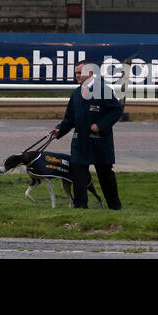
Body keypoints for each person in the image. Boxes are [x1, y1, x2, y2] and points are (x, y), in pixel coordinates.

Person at [50, 59, 123, 210]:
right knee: (78, 173)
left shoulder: (103, 90)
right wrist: (59, 130)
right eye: (75, 73)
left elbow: (116, 110)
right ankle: (80, 206)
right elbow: (70, 118)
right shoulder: (76, 94)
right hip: (80, 142)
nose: (76, 75)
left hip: (100, 142)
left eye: (79, 72)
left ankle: (114, 207)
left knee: (105, 175)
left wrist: (100, 125)